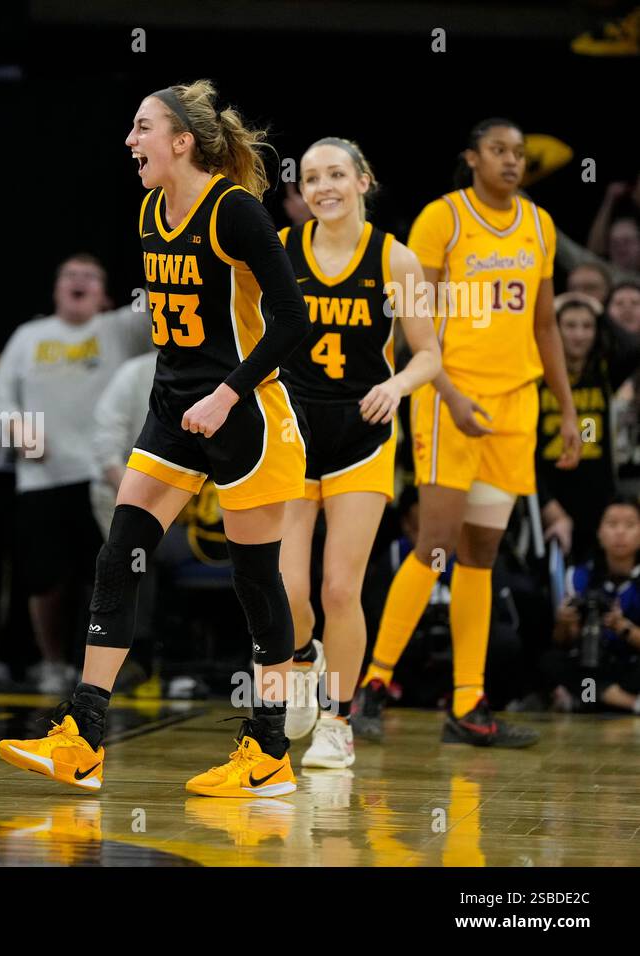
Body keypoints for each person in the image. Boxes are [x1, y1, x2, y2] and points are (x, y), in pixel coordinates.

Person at [0, 79, 311, 795]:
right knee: (121, 552)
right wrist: (176, 403)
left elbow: (294, 322)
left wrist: (227, 394)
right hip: (174, 411)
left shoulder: (236, 213)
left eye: (142, 128)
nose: (130, 141)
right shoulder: (148, 210)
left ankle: (268, 750)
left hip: (250, 412)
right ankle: (83, 736)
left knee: (256, 579)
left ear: (182, 141)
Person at [351, 117, 581, 747]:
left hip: (513, 407)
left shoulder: (538, 224)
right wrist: (446, 393)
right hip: (448, 397)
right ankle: (373, 685)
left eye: (519, 153)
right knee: (436, 545)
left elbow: (545, 327)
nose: (512, 161)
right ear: (472, 159)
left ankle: (468, 703)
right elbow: (413, 321)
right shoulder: (442, 219)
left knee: (482, 554)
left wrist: (564, 412)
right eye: (499, 151)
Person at [276, 138, 440, 769]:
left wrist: (396, 385)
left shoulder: (397, 261)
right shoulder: (282, 252)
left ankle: (337, 723)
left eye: (336, 174)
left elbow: (429, 353)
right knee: (288, 590)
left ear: (364, 180)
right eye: (312, 177)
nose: (324, 187)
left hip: (362, 437)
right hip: (294, 435)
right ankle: (297, 661)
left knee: (340, 589)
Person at [0, 254, 148, 694]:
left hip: (104, 476)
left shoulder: (118, 329)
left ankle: (98, 671)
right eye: (69, 276)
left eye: (89, 277)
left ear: (104, 292)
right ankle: (53, 663)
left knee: (107, 575)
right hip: (43, 478)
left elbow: (160, 300)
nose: (78, 282)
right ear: (56, 289)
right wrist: (17, 429)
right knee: (45, 579)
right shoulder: (29, 335)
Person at [539, 293, 638, 562]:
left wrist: (600, 311)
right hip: (550, 492)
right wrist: (548, 505)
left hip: (598, 494)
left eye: (587, 326)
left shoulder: (604, 374)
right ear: (555, 328)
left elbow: (634, 347)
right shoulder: (535, 376)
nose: (579, 334)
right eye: (570, 325)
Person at [549, 497, 640, 714]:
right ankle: (626, 702)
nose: (620, 532)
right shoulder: (579, 577)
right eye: (612, 524)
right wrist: (565, 623)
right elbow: (563, 641)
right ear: (599, 533)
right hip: (594, 664)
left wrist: (623, 627)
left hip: (632, 664)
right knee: (554, 663)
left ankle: (591, 698)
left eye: (629, 525)